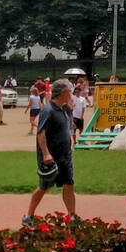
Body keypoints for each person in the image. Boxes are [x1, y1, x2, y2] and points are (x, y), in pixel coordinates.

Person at [23, 78, 79, 226]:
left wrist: (71, 110)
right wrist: (46, 154)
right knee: (44, 187)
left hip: (65, 155)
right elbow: (41, 133)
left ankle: (72, 216)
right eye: (69, 91)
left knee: (69, 184)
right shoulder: (48, 110)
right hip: (51, 157)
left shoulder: (64, 108)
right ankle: (28, 216)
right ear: (62, 93)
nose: (71, 94)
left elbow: (69, 126)